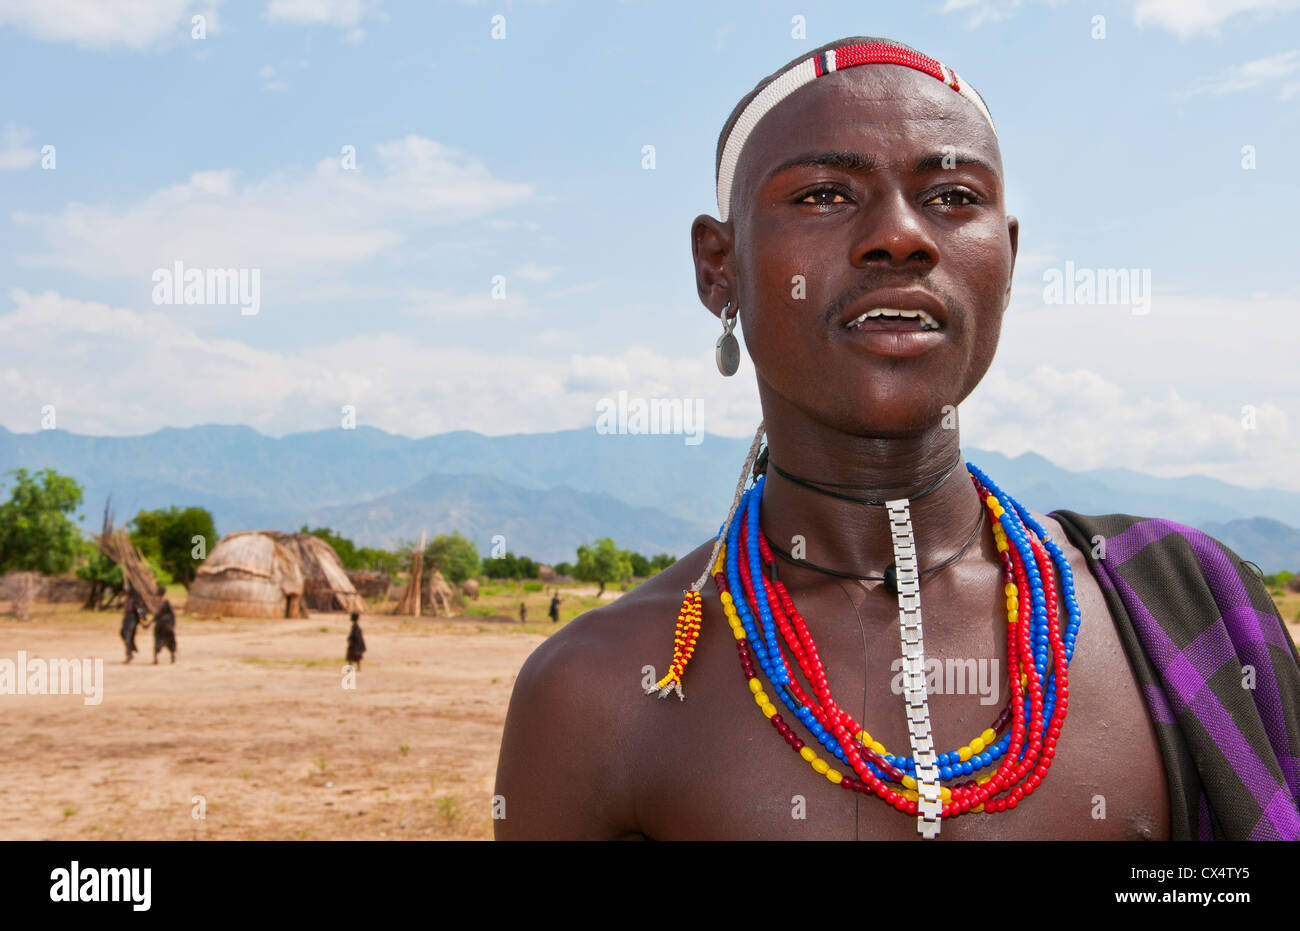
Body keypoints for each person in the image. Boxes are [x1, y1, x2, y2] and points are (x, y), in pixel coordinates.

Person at [495, 37, 1300, 841]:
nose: (902, 236)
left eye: (952, 196)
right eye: (822, 194)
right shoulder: (596, 694)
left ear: (1008, 263)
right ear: (719, 267)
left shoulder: (1189, 610)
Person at [152, 583, 177, 664]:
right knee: (160, 641)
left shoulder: (165, 603)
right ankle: (156, 658)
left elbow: (171, 614)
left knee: (162, 641)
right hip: (162, 626)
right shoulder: (162, 603)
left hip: (164, 626)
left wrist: (171, 624)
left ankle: (159, 658)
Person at [119, 585, 142, 664]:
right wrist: (120, 598)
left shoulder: (133, 601)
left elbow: (139, 612)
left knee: (127, 637)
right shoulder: (126, 600)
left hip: (131, 620)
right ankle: (130, 652)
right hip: (126, 620)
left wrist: (142, 622)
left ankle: (129, 654)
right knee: (123, 634)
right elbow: (118, 606)